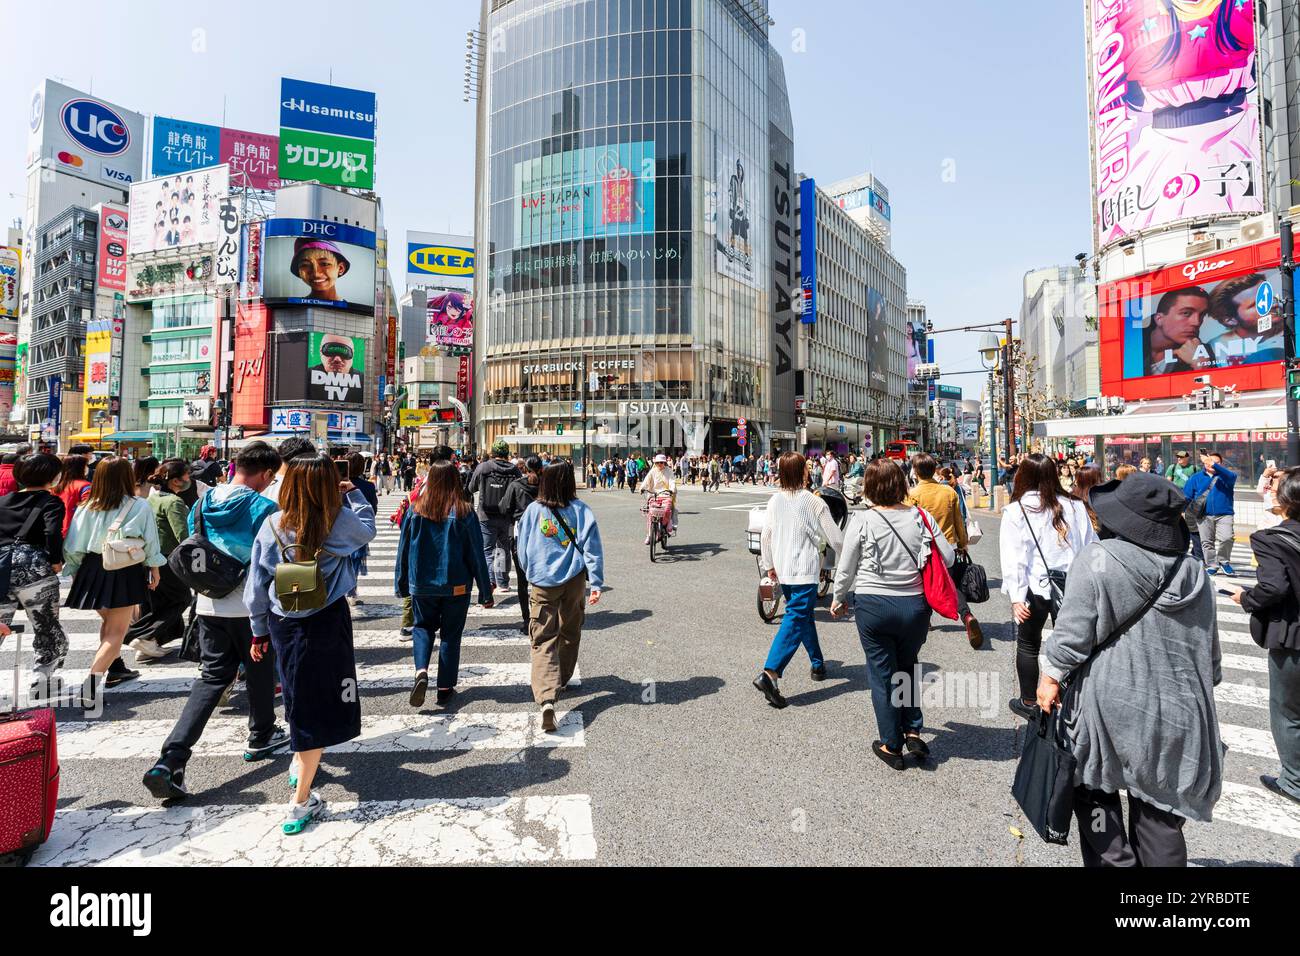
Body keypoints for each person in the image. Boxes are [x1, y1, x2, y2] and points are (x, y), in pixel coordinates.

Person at [1037, 472, 1223, 866]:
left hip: (1109, 708)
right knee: (1160, 819)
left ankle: (1117, 863)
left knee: (1094, 796)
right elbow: (1211, 658)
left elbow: (1071, 638)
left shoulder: (1098, 559)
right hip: (1179, 714)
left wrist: (1049, 677)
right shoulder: (1192, 573)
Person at [141, 443, 287, 802]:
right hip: (249, 606)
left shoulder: (202, 503)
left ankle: (170, 759)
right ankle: (262, 734)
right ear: (267, 475)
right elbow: (273, 559)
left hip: (208, 603)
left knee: (212, 678)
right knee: (260, 671)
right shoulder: (265, 507)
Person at [246, 456, 376, 834]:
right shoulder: (337, 520)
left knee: (295, 691)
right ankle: (300, 801)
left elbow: (256, 584)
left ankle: (297, 763)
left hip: (283, 621)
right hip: (326, 619)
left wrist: (257, 630)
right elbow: (367, 529)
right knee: (317, 706)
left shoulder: (273, 524)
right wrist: (353, 495)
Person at [830, 458, 955, 769]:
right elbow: (949, 558)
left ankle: (891, 744)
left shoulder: (862, 520)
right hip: (914, 606)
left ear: (870, 488)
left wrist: (837, 597)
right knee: (908, 666)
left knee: (882, 673)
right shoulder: (921, 516)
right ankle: (912, 728)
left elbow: (845, 566)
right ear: (901, 484)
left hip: (873, 605)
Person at [999, 453, 1097, 721]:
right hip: (1075, 585)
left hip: (1035, 587)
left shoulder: (1018, 510)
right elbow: (1091, 545)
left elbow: (1014, 558)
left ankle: (1030, 700)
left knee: (1029, 643)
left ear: (1023, 476)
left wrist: (1017, 597)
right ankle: (1072, 697)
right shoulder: (1075, 505)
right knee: (1075, 642)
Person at [1225, 466, 1300, 808]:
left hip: (1293, 636)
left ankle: (1294, 781)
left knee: (1287, 712)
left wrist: (1246, 598)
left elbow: (1273, 587)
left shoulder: (1271, 539)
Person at [63, 457, 165, 700]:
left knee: (109, 627)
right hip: (124, 568)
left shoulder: (87, 507)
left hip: (91, 568)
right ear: (126, 477)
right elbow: (151, 541)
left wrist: (75, 571)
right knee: (116, 632)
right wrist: (155, 568)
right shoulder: (138, 505)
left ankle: (115, 670)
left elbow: (73, 545)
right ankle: (90, 688)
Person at [396, 460, 494, 709]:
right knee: (451, 635)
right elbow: (476, 553)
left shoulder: (416, 509)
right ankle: (444, 687)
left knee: (422, 627)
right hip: (456, 584)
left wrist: (402, 583)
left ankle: (420, 671)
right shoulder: (463, 511)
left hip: (422, 583)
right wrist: (485, 590)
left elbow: (403, 549)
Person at [515, 462, 605, 733]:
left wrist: (531, 571)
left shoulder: (533, 511)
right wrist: (597, 582)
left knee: (542, 638)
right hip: (574, 579)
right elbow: (593, 549)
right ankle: (563, 680)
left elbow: (522, 547)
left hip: (542, 580)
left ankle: (546, 698)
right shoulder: (581, 510)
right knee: (570, 631)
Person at [753, 452, 845, 709]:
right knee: (795, 616)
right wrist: (849, 559)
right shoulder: (813, 502)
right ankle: (771, 672)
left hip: (782, 568)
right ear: (802, 472)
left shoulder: (774, 500)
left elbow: (766, 537)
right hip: (805, 569)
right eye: (806, 468)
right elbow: (835, 538)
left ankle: (817, 663)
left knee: (802, 616)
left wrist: (768, 565)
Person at [0, 453, 69, 685]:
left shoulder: (3, 501)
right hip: (33, 567)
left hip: (2, 565)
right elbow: (52, 532)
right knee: (45, 623)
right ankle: (42, 676)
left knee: (0, 623)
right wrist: (55, 559)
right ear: (53, 477)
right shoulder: (51, 501)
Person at [907, 453, 982, 648]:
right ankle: (966, 615)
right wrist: (963, 543)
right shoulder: (948, 492)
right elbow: (959, 521)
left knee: (922, 584)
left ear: (915, 472)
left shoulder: (913, 495)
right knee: (949, 584)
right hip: (947, 546)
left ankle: (926, 620)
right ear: (935, 471)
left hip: (923, 547)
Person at [123, 459, 194, 662]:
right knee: (182, 599)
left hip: (148, 558)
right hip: (168, 560)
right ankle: (141, 635)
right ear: (176, 481)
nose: (190, 479)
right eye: (187, 475)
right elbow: (184, 536)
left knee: (157, 602)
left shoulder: (149, 499)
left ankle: (149, 644)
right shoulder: (173, 502)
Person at [469, 439, 522, 593]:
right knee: (503, 548)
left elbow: (471, 488)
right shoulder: (514, 469)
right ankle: (503, 583)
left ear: (493, 452)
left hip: (486, 514)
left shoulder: (484, 467)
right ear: (506, 453)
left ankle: (489, 581)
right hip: (507, 515)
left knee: (487, 550)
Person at [502, 456, 543, 634]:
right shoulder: (546, 486)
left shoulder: (516, 485)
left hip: (521, 535)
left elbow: (504, 507)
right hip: (545, 535)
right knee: (541, 581)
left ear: (524, 468)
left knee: (522, 581)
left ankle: (527, 621)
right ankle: (541, 618)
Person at [1182, 451, 1237, 575]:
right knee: (1206, 542)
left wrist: (1213, 464)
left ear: (1221, 464)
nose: (1211, 464)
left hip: (1225, 513)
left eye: (1216, 463)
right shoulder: (1196, 477)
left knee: (1227, 538)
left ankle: (1224, 561)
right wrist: (1182, 511)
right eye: (1209, 462)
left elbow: (1232, 476)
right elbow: (1187, 496)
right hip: (1203, 514)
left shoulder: (1226, 477)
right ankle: (1212, 564)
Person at [291, 238, 350, 302]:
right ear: (299, 270)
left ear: (341, 268)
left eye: (324, 264)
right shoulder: (295, 308)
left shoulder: (351, 311)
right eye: (305, 265)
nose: (316, 274)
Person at [637, 453, 678, 541]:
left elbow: (672, 481)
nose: (659, 464)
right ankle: (649, 534)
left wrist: (672, 489)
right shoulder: (653, 471)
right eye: (657, 462)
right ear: (655, 463)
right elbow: (646, 481)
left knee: (667, 509)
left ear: (665, 463)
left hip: (666, 494)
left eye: (661, 462)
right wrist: (641, 488)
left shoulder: (669, 471)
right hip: (654, 495)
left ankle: (666, 525)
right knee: (650, 514)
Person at [55, 454, 93, 538]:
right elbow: (90, 512)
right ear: (80, 468)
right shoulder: (86, 486)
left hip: (57, 530)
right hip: (75, 533)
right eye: (85, 465)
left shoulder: (55, 486)